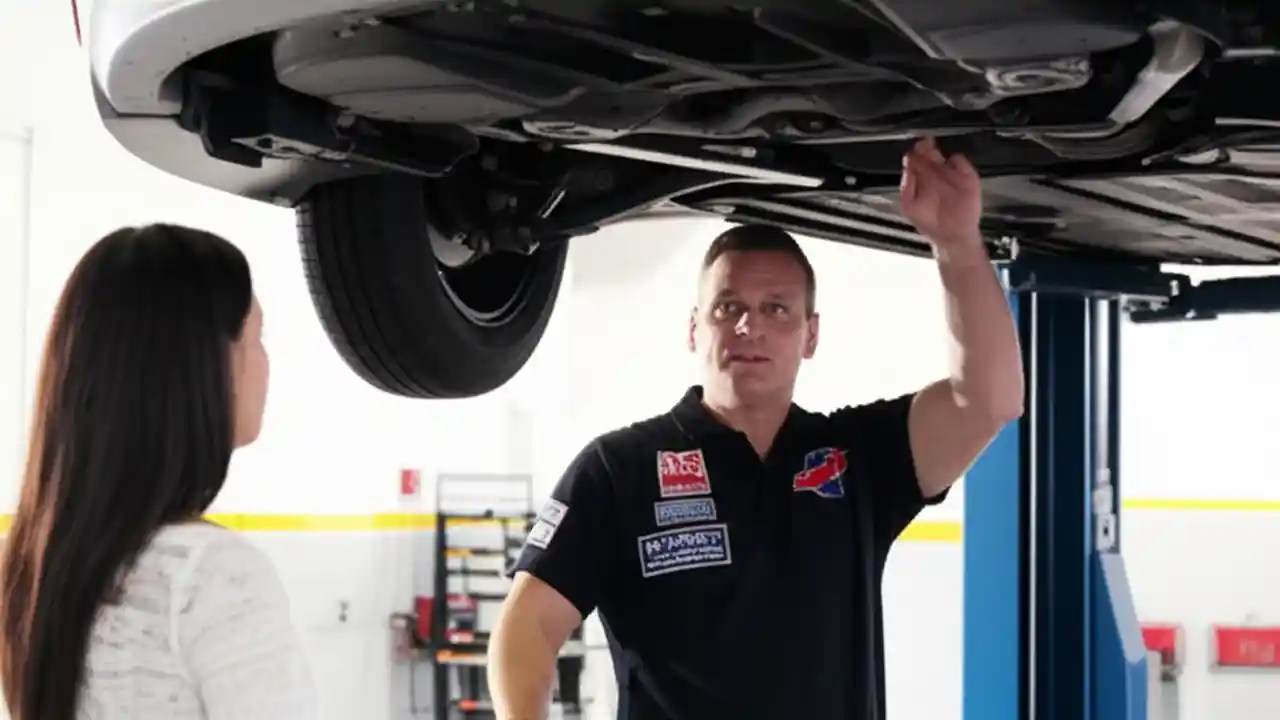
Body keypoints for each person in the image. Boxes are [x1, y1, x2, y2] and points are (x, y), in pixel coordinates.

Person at [487, 136, 1024, 720]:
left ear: (809, 335)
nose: (750, 327)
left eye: (777, 309)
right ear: (696, 329)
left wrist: (957, 246)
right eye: (728, 307)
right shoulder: (620, 469)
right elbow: (529, 627)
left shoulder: (858, 457)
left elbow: (989, 401)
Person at [0, 224, 317, 720]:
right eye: (257, 337)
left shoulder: (29, 563)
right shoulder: (209, 573)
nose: (266, 362)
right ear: (212, 363)